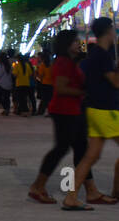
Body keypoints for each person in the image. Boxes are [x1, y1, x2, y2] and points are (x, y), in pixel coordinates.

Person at [29, 29, 110, 205]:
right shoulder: (64, 62)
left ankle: (91, 191)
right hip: (65, 111)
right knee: (62, 148)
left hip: (74, 110)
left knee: (81, 150)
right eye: (74, 41)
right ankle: (38, 186)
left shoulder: (70, 62)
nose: (77, 44)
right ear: (66, 44)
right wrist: (85, 92)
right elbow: (61, 88)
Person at [62, 18, 119, 210]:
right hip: (106, 111)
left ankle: (71, 196)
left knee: (90, 156)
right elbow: (116, 82)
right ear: (109, 31)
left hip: (95, 110)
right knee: (90, 156)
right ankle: (116, 189)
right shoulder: (102, 56)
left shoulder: (95, 55)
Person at [34, 51, 54, 116]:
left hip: (44, 83)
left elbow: (40, 75)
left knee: (44, 98)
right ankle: (49, 112)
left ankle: (41, 111)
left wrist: (36, 74)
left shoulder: (43, 65)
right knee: (49, 98)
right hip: (51, 84)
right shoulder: (51, 65)